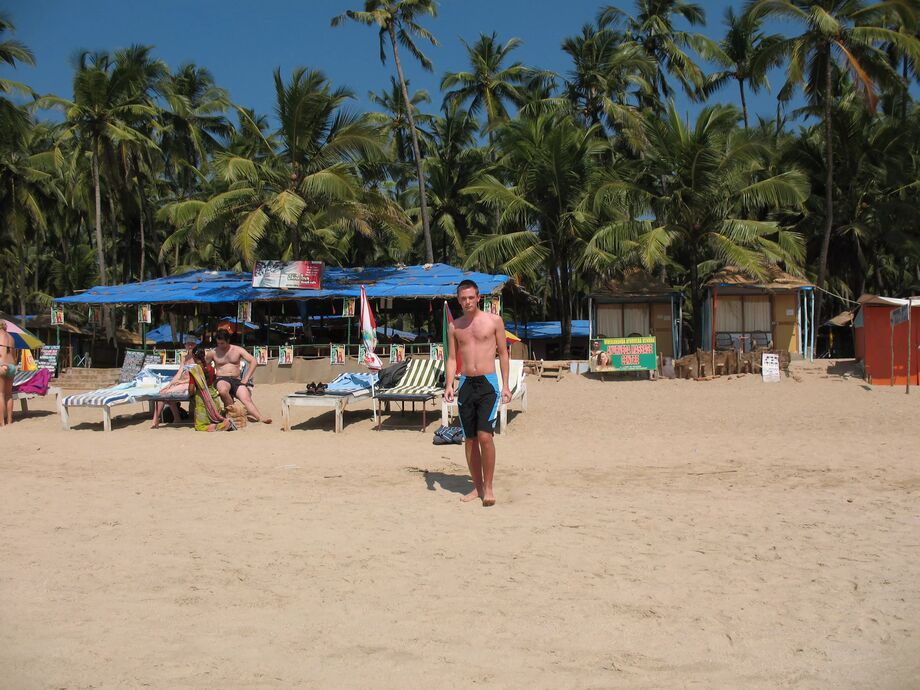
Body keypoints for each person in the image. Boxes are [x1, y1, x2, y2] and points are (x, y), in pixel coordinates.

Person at [444, 280, 511, 507]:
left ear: (478, 297)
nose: (467, 301)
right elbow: (452, 358)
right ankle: (478, 486)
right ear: (458, 300)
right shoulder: (455, 327)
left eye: (471, 297)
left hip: (488, 384)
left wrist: (506, 385)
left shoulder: (494, 321)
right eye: (463, 298)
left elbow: (503, 353)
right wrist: (449, 384)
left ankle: (489, 487)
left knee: (485, 436)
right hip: (465, 385)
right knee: (470, 439)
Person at [206, 330, 272, 424]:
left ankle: (260, 417)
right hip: (221, 378)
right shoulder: (213, 352)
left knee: (246, 398)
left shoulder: (237, 350)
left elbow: (253, 361)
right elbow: (204, 365)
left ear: (228, 340)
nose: (220, 345)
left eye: (222, 343)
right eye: (218, 343)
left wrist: (246, 378)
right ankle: (234, 411)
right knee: (223, 391)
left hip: (236, 379)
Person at [151, 337, 197, 428]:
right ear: (185, 345)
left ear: (195, 345)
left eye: (192, 344)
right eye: (188, 344)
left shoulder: (197, 357)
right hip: (183, 381)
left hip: (191, 383)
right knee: (163, 392)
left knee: (168, 394)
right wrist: (170, 383)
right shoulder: (184, 358)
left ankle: (174, 418)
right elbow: (179, 373)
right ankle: (156, 419)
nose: (190, 345)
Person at [188, 346, 233, 432]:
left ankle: (223, 426)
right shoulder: (211, 368)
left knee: (200, 426)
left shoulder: (194, 370)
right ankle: (223, 422)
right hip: (213, 398)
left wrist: (191, 396)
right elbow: (213, 382)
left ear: (193, 356)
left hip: (202, 399)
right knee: (215, 419)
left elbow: (191, 389)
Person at [0, 321, 18, 426]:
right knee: (8, 395)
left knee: (0, 394)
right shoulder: (11, 338)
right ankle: (10, 420)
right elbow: (14, 356)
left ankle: (2, 422)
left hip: (2, 364)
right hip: (12, 366)